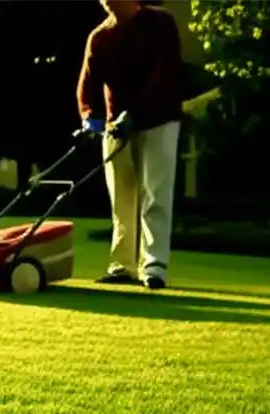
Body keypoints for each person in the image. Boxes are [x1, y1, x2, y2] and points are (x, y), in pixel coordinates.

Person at [78, 0, 185, 290]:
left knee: (155, 192)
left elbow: (163, 73)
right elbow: (87, 86)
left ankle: (153, 265)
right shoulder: (100, 36)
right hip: (116, 129)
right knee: (121, 198)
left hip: (159, 120)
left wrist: (135, 113)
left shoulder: (160, 23)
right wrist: (91, 118)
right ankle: (122, 265)